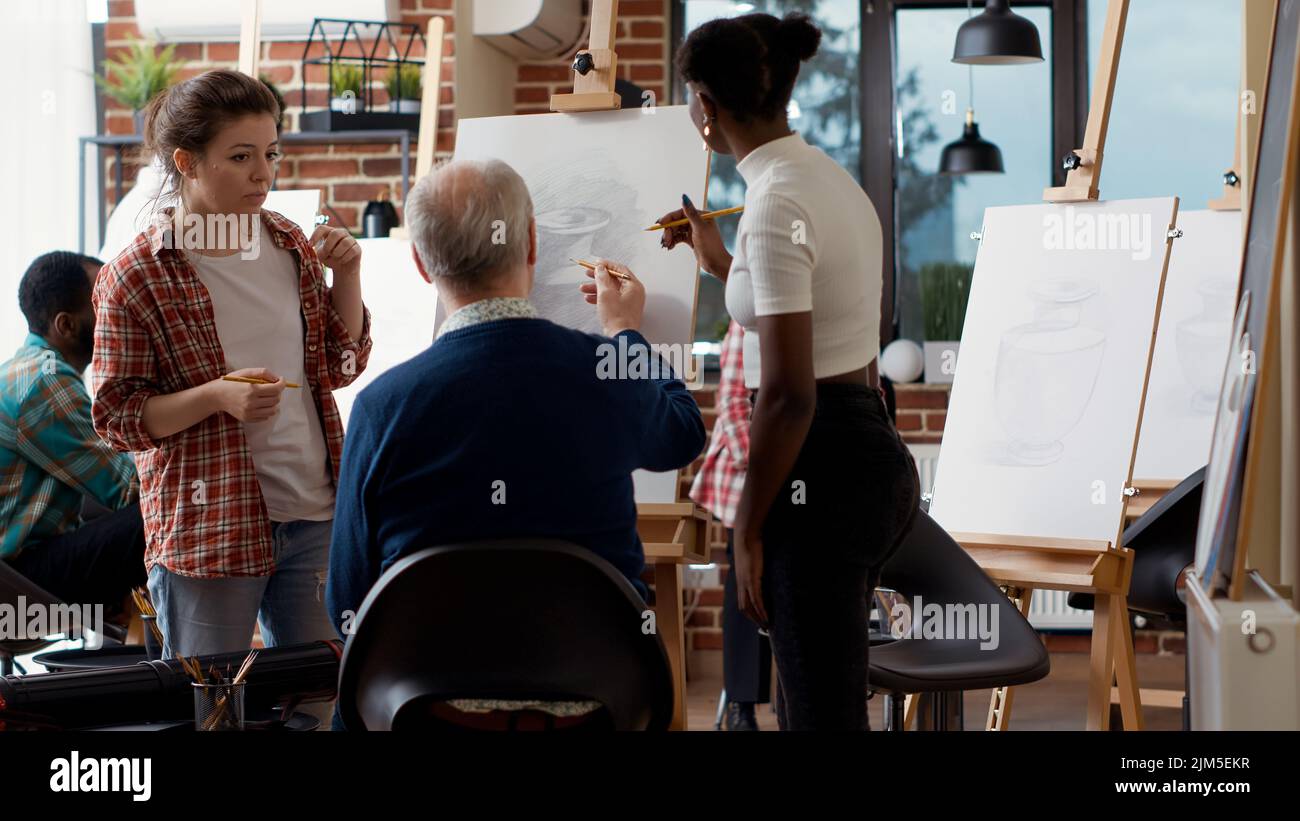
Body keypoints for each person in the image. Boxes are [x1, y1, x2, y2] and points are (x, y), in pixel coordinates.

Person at [660, 11, 921, 730]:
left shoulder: (774, 204)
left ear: (706, 108)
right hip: (864, 450)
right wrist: (721, 263)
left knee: (818, 712)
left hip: (821, 466)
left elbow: (788, 396)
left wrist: (746, 529)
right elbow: (817, 318)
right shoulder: (822, 179)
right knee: (821, 699)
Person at [325, 158, 706, 630]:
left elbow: (347, 604)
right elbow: (682, 435)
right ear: (532, 244)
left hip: (433, 672)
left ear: (420, 263)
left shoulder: (380, 408)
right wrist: (625, 333)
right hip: (593, 666)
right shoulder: (603, 371)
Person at [90, 70, 372, 676]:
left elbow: (338, 365)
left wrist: (347, 276)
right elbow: (117, 418)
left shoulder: (289, 243)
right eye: (241, 157)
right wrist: (216, 396)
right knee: (213, 701)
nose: (263, 174)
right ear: (186, 162)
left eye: (271, 154)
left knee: (315, 699)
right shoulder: (136, 275)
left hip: (313, 512)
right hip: (208, 526)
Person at [2, 251, 144, 611]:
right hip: (15, 583)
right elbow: (127, 489)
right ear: (65, 325)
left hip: (19, 568)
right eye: (104, 301)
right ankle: (175, 645)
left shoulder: (28, 369)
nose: (120, 310)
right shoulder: (46, 382)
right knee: (165, 511)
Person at [689, 321, 771, 730]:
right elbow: (733, 403)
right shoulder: (745, 320)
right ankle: (742, 707)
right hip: (748, 468)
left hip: (798, 463)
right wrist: (763, 470)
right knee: (745, 584)